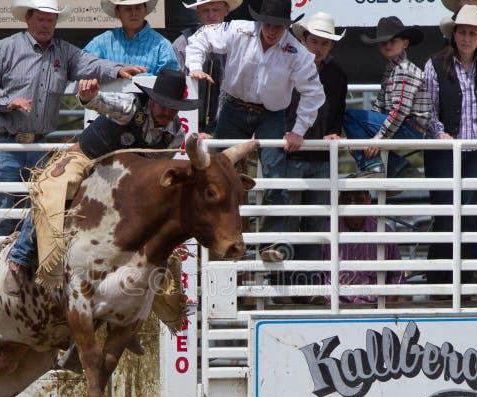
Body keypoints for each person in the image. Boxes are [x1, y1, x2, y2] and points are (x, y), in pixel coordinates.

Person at [5, 68, 198, 296]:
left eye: (172, 107)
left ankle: (149, 275)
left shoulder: (174, 135)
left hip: (126, 179)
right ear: (152, 101)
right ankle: (20, 257)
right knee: (54, 187)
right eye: (162, 104)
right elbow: (100, 102)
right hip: (88, 158)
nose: (167, 112)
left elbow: (157, 172)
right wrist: (88, 97)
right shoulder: (129, 107)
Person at [0, 0, 145, 239]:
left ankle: (23, 270)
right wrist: (7, 102)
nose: (46, 25)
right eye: (41, 19)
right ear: (28, 19)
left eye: (50, 20)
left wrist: (117, 69)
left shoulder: (64, 52)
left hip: (39, 147)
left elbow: (90, 63)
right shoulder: (5, 49)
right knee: (3, 214)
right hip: (4, 145)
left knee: (39, 213)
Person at [185, 0, 325, 263]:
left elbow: (314, 93)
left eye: (279, 26)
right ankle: (213, 237)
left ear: (287, 27)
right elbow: (201, 38)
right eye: (269, 24)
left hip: (270, 115)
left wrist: (298, 130)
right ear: (260, 21)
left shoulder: (296, 51)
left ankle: (270, 243)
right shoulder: (239, 30)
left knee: (274, 174)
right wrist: (195, 66)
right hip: (234, 109)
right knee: (216, 172)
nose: (272, 30)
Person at [261, 11, 347, 288]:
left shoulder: (336, 74)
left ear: (331, 46)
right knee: (284, 218)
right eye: (315, 41)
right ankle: (279, 284)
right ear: (304, 39)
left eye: (325, 43)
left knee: (313, 224)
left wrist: (333, 132)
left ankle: (307, 286)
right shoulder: (287, 65)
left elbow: (337, 112)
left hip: (319, 154)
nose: (319, 47)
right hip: (290, 152)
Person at [423, 5, 477, 286]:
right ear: (454, 35)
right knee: (445, 217)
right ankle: (438, 282)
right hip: (445, 151)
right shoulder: (435, 64)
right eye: (462, 32)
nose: (466, 38)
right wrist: (439, 133)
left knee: (468, 218)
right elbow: (428, 109)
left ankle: (463, 282)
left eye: (472, 33)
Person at [343, 16, 429, 179]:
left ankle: (372, 166)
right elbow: (379, 106)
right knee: (357, 134)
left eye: (392, 41)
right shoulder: (392, 69)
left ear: (405, 43)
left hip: (409, 128)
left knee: (349, 116)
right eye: (383, 42)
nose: (387, 45)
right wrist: (363, 139)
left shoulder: (404, 70)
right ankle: (397, 167)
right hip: (405, 127)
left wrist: (376, 139)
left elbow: (400, 111)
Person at [324, 187, 405, 305]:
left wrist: (384, 311)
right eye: (347, 200)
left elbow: (397, 277)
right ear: (340, 201)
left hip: (372, 307)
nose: (352, 205)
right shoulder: (327, 231)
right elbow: (317, 273)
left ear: (368, 200)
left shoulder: (383, 231)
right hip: (334, 307)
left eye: (358, 200)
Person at [172, 0, 242, 134]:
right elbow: (175, 85)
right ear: (198, 11)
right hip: (190, 123)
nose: (211, 15)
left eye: (216, 10)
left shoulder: (240, 41)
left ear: (226, 10)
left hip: (231, 123)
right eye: (205, 10)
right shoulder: (182, 43)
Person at [84, 0, 179, 75]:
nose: (134, 13)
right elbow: (83, 66)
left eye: (138, 7)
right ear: (117, 12)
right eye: (128, 8)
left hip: (148, 100)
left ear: (145, 10)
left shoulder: (162, 46)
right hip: (106, 100)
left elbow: (170, 85)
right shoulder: (102, 42)